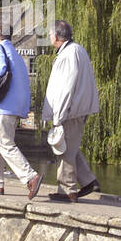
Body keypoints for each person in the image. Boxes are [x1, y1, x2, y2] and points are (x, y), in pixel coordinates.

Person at [41, 19, 100, 202]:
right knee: (70, 146)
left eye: (50, 34)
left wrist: (58, 116)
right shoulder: (77, 50)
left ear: (56, 36)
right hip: (76, 109)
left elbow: (65, 87)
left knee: (63, 149)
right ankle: (88, 180)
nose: (49, 37)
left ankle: (68, 190)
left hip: (69, 111)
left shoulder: (68, 54)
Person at [0, 24, 42, 198]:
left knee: (4, 142)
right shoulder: (15, 54)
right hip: (16, 106)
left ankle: (31, 177)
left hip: (5, 106)